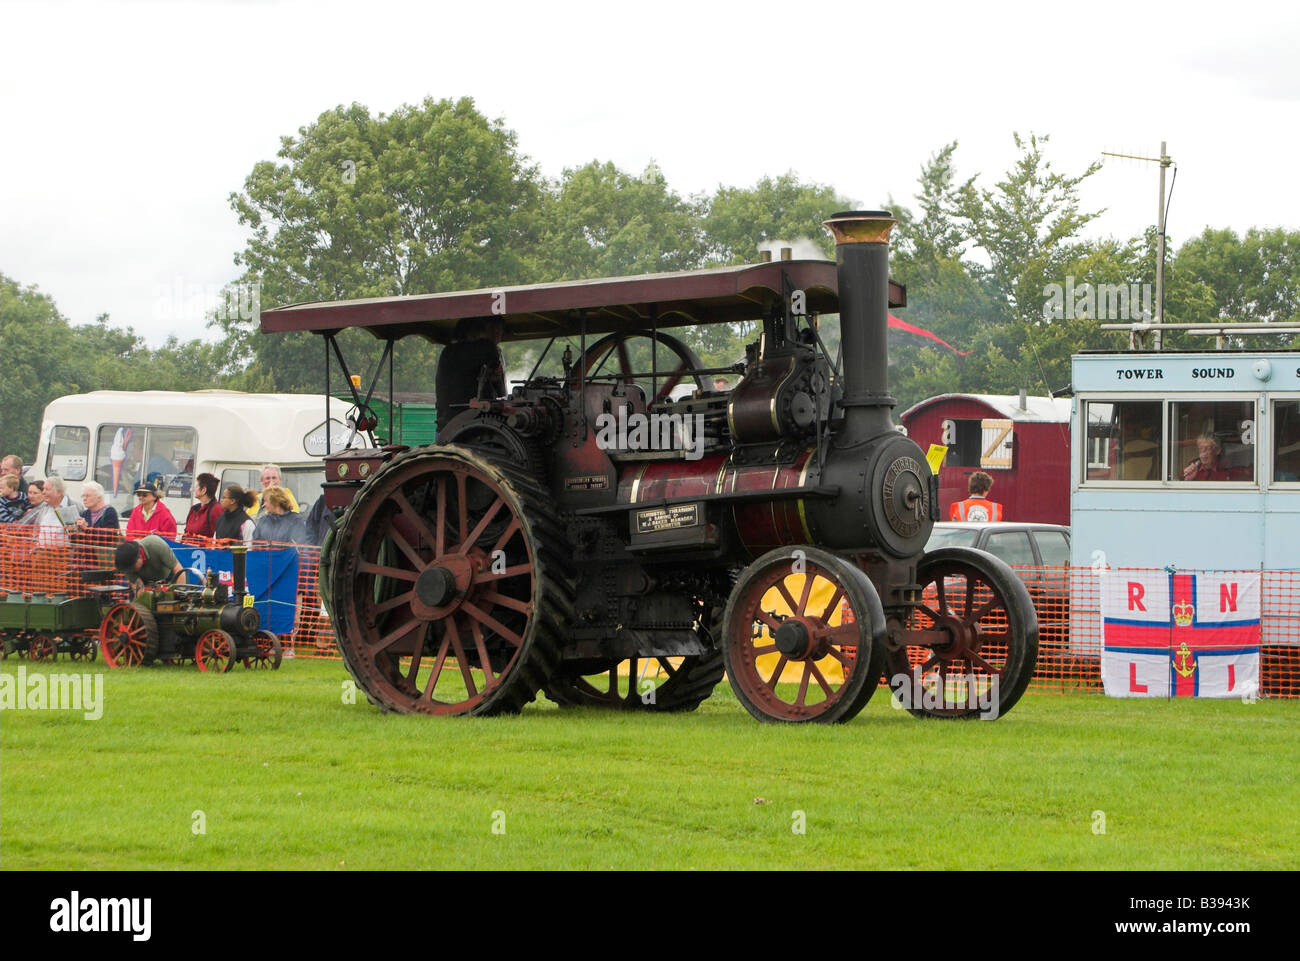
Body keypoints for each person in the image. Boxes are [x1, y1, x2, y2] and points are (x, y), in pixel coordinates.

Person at [435, 316, 506, 432]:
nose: (497, 335)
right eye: (494, 330)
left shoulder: (448, 352)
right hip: (470, 427)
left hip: (446, 426)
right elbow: (501, 391)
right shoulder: (485, 347)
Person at [113, 535, 186, 595]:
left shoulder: (156, 545)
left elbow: (178, 570)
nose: (131, 571)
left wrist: (179, 593)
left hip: (168, 576)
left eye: (133, 568)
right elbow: (138, 586)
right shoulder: (126, 564)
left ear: (139, 557)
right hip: (146, 582)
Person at [16, 481, 70, 547]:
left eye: (35, 493)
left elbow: (19, 526)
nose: (31, 496)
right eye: (29, 492)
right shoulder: (27, 506)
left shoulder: (42, 507)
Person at [185, 473, 224, 538]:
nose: (193, 489)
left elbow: (219, 537)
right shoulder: (194, 509)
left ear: (203, 490)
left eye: (197, 486)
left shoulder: (216, 509)